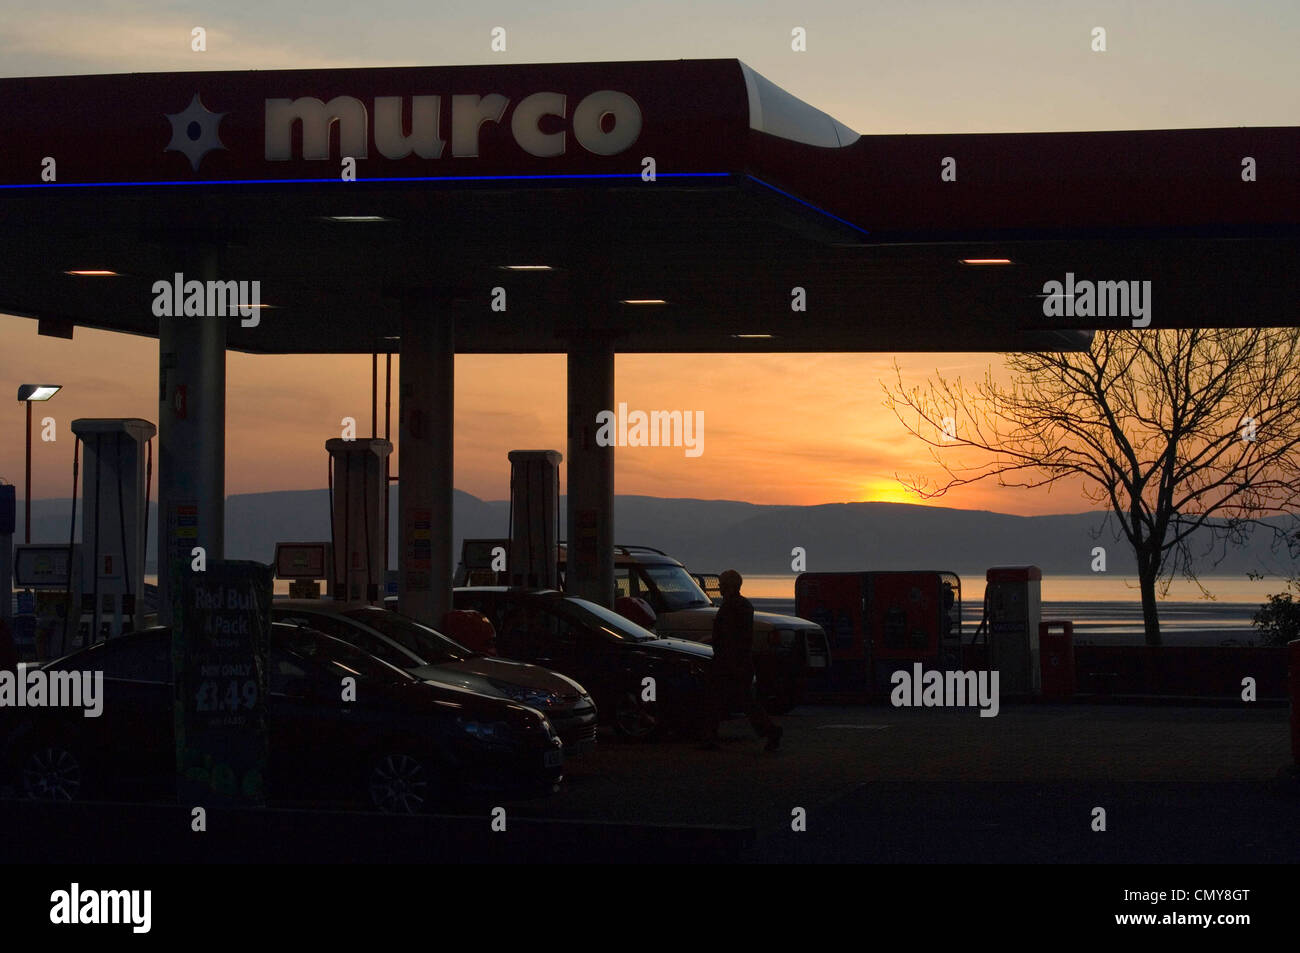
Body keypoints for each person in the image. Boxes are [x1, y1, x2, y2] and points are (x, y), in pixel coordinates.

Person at [699, 569, 782, 751]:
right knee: (745, 702)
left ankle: (709, 737)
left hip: (729, 662)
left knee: (715, 699)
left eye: (721, 584)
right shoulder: (744, 605)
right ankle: (769, 731)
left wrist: (713, 643)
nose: (719, 587)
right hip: (741, 662)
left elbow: (728, 636)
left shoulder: (730, 607)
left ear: (728, 586)